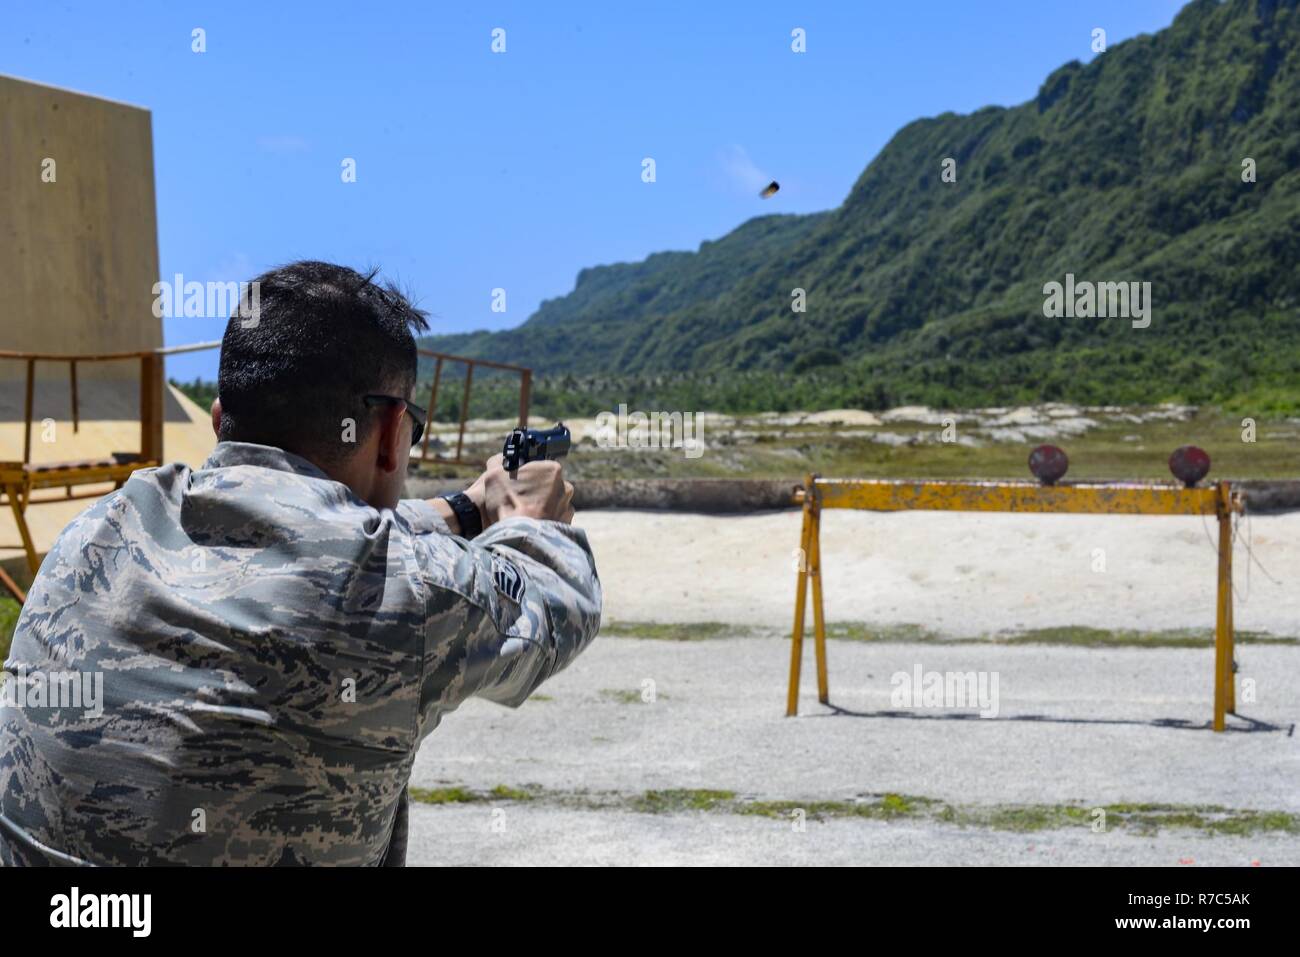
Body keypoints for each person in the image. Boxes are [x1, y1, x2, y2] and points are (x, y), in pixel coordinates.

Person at [0, 261, 601, 866]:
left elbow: (298, 529)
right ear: (394, 432)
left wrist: (467, 509)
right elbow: (555, 613)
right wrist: (528, 521)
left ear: (218, 420)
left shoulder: (97, 530)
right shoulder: (407, 588)